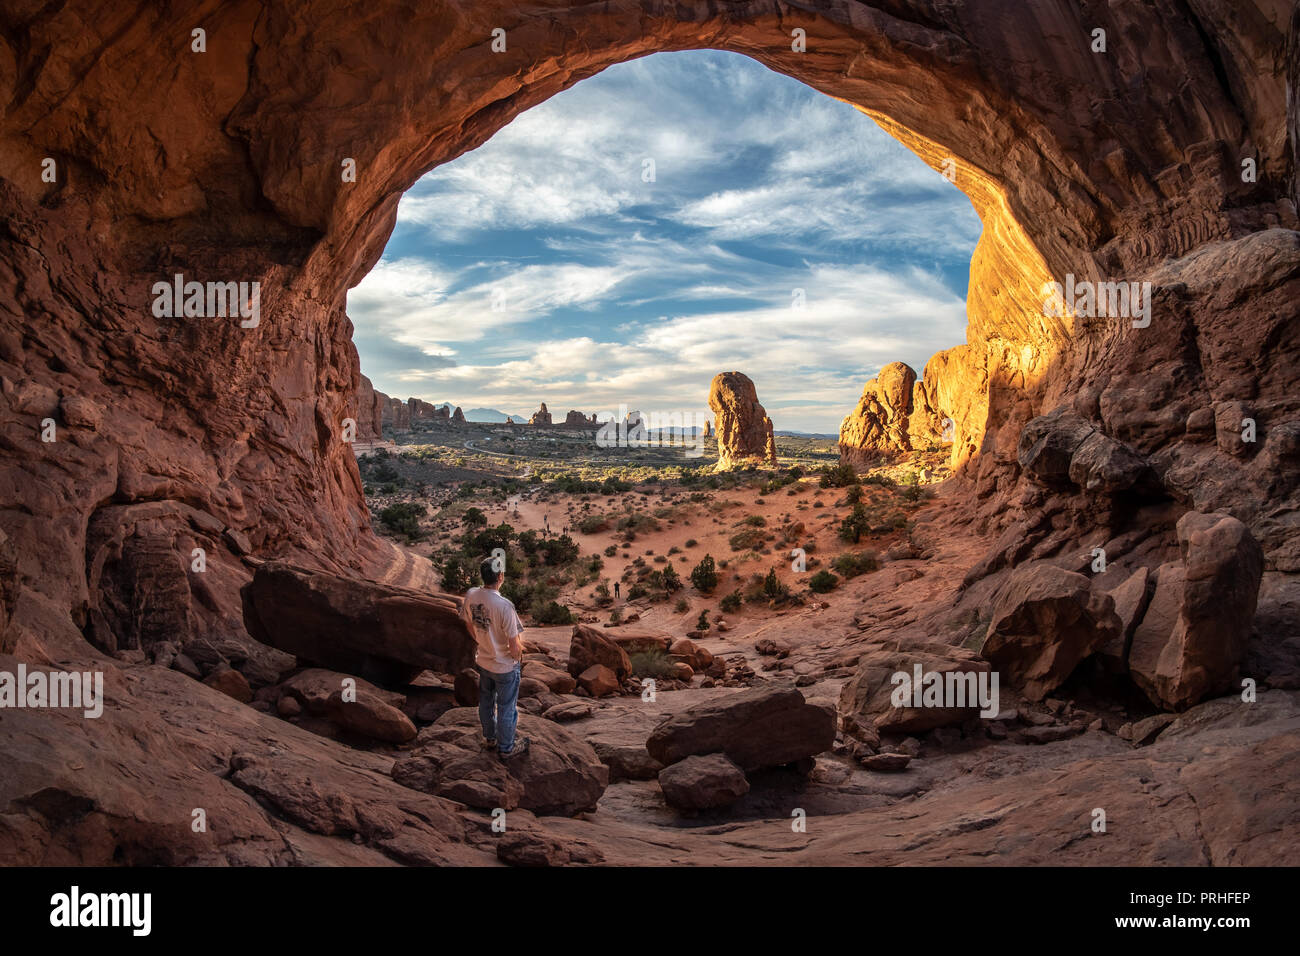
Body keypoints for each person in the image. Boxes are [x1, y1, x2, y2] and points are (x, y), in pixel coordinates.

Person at [459, 558, 530, 758]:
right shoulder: (505, 606)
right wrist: (517, 660)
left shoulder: (472, 595)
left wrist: (481, 642)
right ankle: (507, 747)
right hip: (505, 666)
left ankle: (490, 739)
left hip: (484, 661)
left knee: (486, 702)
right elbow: (514, 645)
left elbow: (467, 623)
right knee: (507, 707)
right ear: (500, 576)